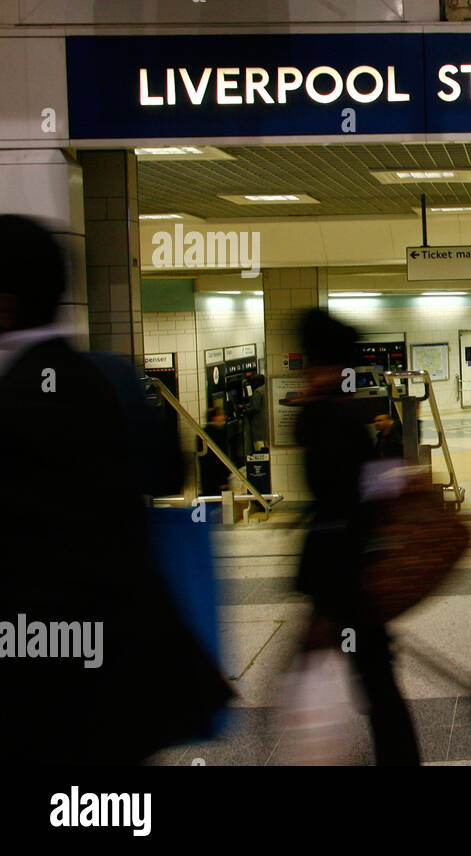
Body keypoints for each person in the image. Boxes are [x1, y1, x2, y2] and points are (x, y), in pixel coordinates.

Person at [0, 214, 231, 763]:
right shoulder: (116, 378)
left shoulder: (10, 401)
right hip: (133, 656)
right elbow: (168, 478)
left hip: (43, 678)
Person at [292, 308, 420, 765]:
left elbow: (339, 513)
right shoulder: (342, 417)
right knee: (378, 685)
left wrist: (327, 606)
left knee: (376, 688)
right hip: (355, 574)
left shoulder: (328, 419)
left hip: (344, 580)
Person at [200, 403, 230, 494]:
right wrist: (223, 480)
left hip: (206, 479)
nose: (224, 417)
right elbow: (220, 458)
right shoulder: (218, 434)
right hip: (217, 480)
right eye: (221, 415)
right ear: (214, 417)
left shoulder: (202, 433)